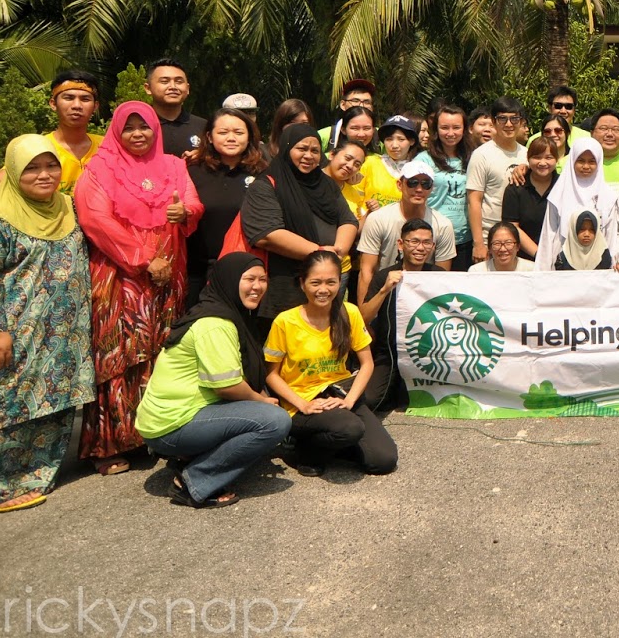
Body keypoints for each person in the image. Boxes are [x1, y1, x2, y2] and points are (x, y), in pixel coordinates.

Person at [0, 136, 93, 512]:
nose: (44, 175)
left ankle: (32, 475)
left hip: (60, 333)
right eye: (31, 168)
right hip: (10, 331)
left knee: (49, 403)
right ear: (13, 172)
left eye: (51, 166)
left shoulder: (66, 205)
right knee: (1, 404)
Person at [74, 102, 201, 474]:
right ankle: (108, 444)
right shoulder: (98, 169)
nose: (138, 134)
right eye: (129, 128)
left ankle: (154, 433)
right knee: (118, 354)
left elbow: (192, 202)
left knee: (160, 350)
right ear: (116, 131)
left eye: (143, 126)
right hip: (120, 275)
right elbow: (95, 219)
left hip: (168, 272)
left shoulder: (175, 165)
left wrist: (186, 213)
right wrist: (144, 259)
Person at [136, 254, 290, 508]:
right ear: (229, 280)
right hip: (172, 424)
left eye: (263, 279)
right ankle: (192, 482)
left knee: (262, 414)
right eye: (249, 279)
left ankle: (189, 458)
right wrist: (261, 401)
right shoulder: (215, 324)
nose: (257, 286)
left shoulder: (222, 312)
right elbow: (226, 386)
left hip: (179, 416)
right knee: (274, 421)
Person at [266, 251, 397, 476]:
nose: (323, 289)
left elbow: (367, 364)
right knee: (350, 428)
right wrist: (303, 405)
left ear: (339, 282)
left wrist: (349, 400)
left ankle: (332, 445)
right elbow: (271, 375)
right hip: (302, 402)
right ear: (302, 283)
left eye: (331, 282)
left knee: (383, 461)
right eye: (315, 282)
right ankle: (304, 450)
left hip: (339, 394)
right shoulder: (285, 321)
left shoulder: (350, 312)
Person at [240, 125, 358, 319]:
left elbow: (348, 219)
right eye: (302, 149)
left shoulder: (326, 183)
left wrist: (337, 252)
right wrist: (319, 252)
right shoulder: (266, 184)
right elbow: (267, 234)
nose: (309, 156)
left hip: (323, 283)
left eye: (315, 151)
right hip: (283, 284)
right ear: (286, 149)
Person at [0, 70, 104, 224]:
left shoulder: (108, 147)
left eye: (85, 99)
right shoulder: (38, 148)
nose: (77, 105)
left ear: (95, 106)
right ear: (53, 104)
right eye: (68, 98)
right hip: (53, 230)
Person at [357, 217, 445, 412]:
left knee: (423, 401)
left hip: (428, 354)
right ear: (400, 244)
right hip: (388, 353)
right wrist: (384, 290)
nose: (420, 248)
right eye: (414, 241)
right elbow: (363, 318)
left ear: (432, 246)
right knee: (370, 401)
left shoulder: (438, 275)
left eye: (426, 242)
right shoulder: (384, 276)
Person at [186, 107, 268, 303]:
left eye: (239, 132)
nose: (231, 138)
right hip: (198, 271)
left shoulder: (263, 173)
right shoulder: (192, 170)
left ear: (249, 137)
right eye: (223, 132)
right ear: (210, 136)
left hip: (246, 272)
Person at [354, 159, 458, 303]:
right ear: (399, 184)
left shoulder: (443, 225)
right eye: (412, 182)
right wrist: (365, 316)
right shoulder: (378, 219)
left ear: (432, 188)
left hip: (423, 299)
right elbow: (366, 271)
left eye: (425, 184)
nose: (419, 189)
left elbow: (441, 276)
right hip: (383, 294)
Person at [536, 140, 619, 270]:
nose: (586, 166)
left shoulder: (608, 197)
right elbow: (548, 235)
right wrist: (542, 272)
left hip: (598, 266)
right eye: (581, 160)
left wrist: (612, 265)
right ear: (572, 160)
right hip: (563, 264)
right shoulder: (559, 194)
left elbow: (611, 235)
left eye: (592, 161)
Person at [465, 98, 529, 263]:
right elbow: (474, 201)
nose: (509, 124)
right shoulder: (481, 155)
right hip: (490, 238)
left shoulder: (527, 154)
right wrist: (479, 243)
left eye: (514, 119)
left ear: (521, 122)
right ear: (493, 122)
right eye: (502, 119)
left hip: (519, 238)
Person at [420, 104, 472, 269]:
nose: (450, 133)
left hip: (465, 239)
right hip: (434, 237)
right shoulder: (424, 160)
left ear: (464, 129)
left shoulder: (474, 157)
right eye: (444, 128)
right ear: (436, 130)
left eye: (456, 127)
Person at [505, 138, 559, 260]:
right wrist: (539, 255)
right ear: (528, 159)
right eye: (537, 157)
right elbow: (512, 227)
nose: (542, 162)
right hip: (525, 258)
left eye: (549, 158)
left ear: (557, 159)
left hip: (559, 257)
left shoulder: (564, 186)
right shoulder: (516, 188)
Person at [144, 58, 207, 158]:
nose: (173, 86)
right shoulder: (139, 126)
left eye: (179, 81)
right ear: (148, 88)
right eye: (164, 81)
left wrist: (202, 158)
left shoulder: (204, 127)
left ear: (187, 88)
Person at [358, 115, 419, 213]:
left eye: (401, 139)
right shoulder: (369, 163)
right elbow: (355, 196)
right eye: (389, 139)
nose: (394, 145)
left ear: (411, 141)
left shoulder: (417, 170)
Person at [317, 79, 376, 149]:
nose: (361, 106)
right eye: (355, 101)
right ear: (343, 105)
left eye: (366, 102)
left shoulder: (381, 135)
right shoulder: (325, 135)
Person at [472, 221, 536, 273]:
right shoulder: (477, 271)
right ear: (490, 248)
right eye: (497, 243)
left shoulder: (532, 270)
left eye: (508, 243)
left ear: (518, 246)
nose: (503, 249)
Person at [591, 109, 619, 185]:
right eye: (603, 128)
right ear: (592, 133)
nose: (610, 134)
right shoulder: (573, 163)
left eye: (616, 129)